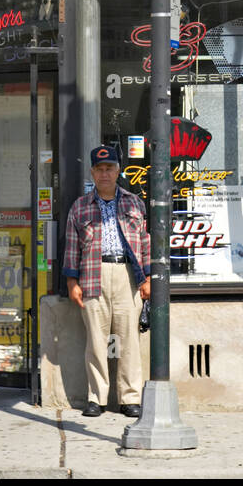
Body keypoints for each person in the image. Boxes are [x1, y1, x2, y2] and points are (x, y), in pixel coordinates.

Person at [63, 145, 151, 418]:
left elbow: (146, 243)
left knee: (129, 339)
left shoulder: (135, 203)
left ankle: (130, 398)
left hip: (127, 275)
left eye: (109, 168)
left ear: (118, 170)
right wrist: (71, 282)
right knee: (96, 340)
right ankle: (96, 398)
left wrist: (147, 278)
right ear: (92, 171)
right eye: (99, 169)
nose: (104, 174)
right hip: (93, 274)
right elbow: (71, 247)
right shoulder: (80, 207)